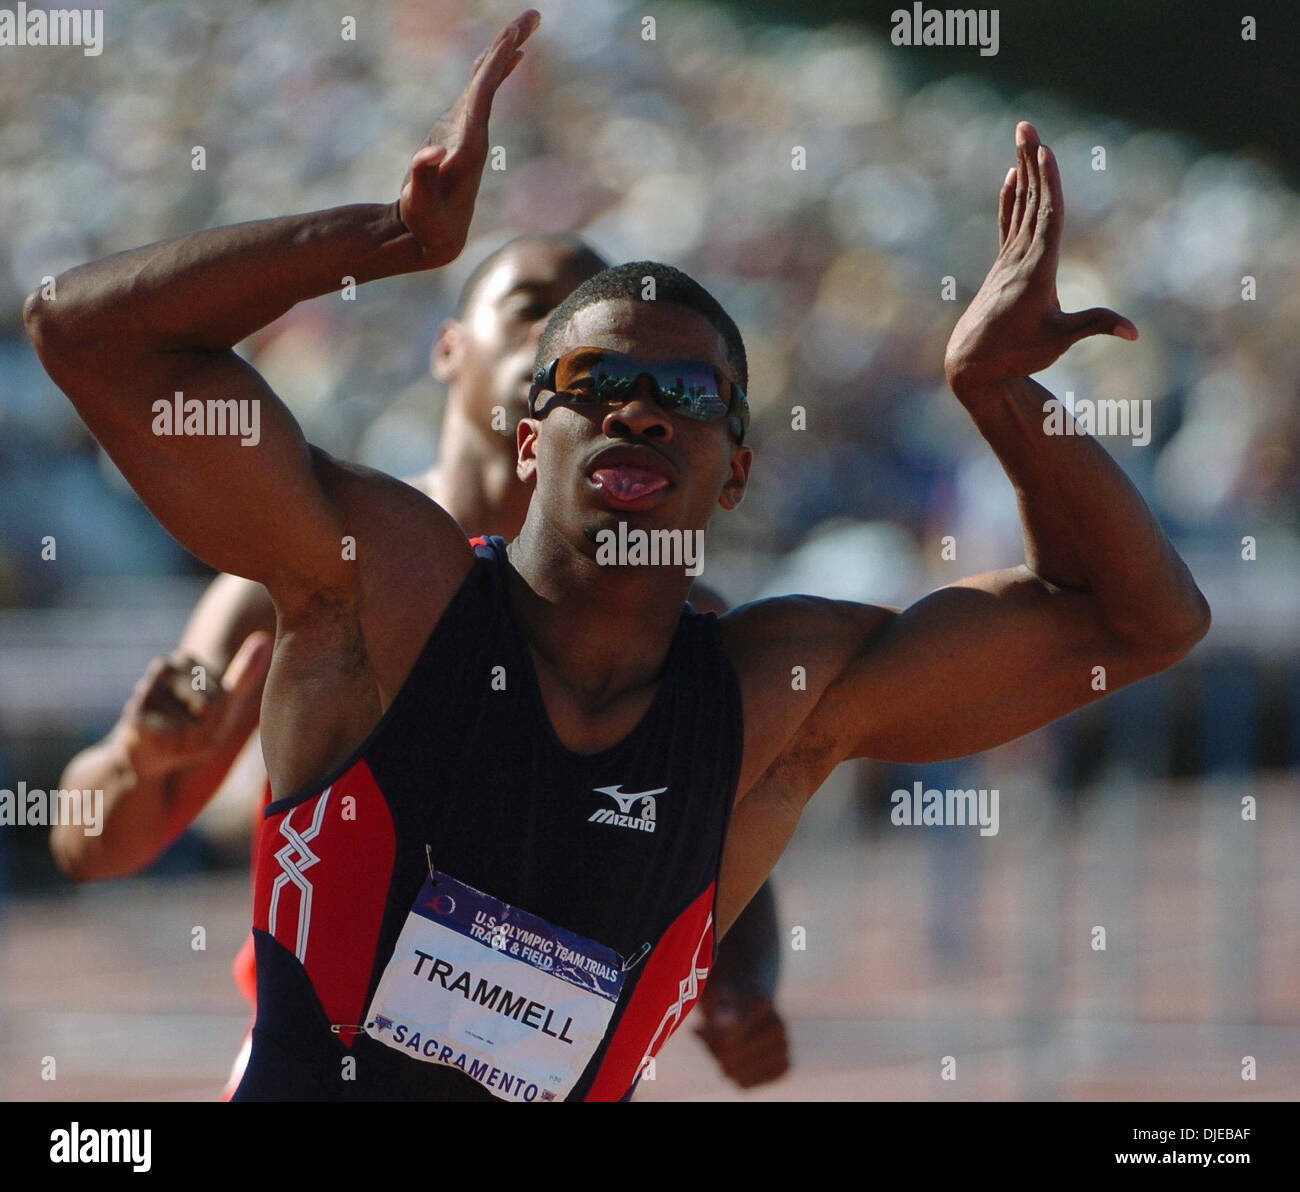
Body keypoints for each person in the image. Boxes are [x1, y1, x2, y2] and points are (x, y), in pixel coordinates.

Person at [26, 11, 1209, 1102]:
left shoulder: (773, 689)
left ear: (735, 470)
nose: (641, 413)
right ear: (529, 437)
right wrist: (389, 235)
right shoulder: (373, 581)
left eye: (687, 394)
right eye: (600, 385)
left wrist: (1001, 396)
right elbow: (85, 333)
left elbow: (1137, 624)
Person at [49, 228, 789, 1094]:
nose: (595, 362)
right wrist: (140, 762)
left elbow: (722, 853)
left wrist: (747, 985)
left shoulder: (681, 622)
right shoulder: (324, 561)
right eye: (532, 311)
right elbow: (91, 847)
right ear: (450, 347)